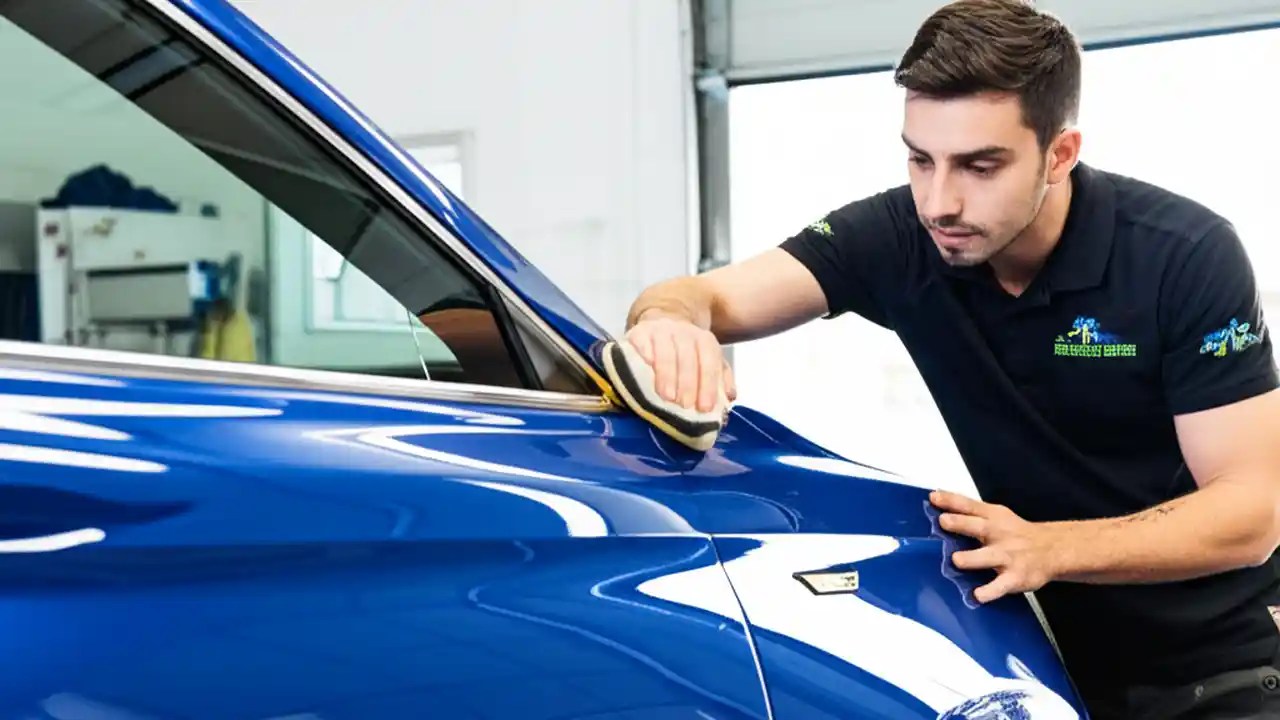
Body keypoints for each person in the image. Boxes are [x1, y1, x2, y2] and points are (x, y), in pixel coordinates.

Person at [622, 0, 1280, 717]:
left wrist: (1048, 548)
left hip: (1228, 662)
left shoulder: (1183, 254)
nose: (939, 201)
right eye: (919, 158)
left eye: (980, 165)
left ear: (1059, 154)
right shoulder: (901, 235)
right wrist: (670, 321)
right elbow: (703, 297)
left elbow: (1253, 513)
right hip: (1052, 664)